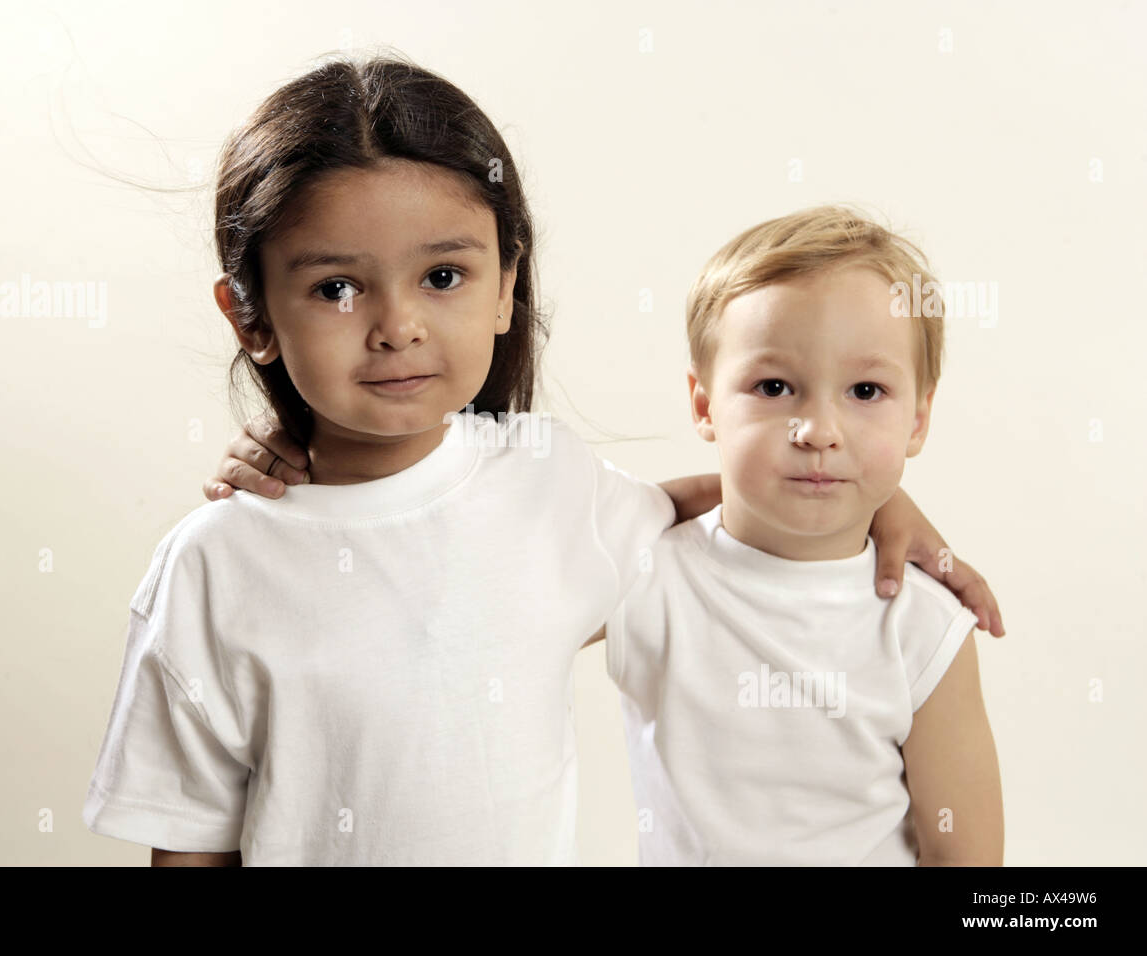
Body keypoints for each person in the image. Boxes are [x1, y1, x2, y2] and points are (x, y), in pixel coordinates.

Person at [94, 52, 1003, 866]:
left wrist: (880, 506)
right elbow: (190, 838)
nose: (397, 325)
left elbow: (732, 514)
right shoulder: (213, 565)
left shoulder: (546, 483)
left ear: (505, 289)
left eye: (443, 276)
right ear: (250, 314)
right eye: (336, 287)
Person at [600, 206, 1004, 864]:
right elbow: (506, 601)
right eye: (775, 386)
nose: (818, 429)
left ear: (918, 419)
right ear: (704, 405)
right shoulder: (647, 578)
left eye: (866, 390)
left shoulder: (921, 624)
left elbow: (967, 858)